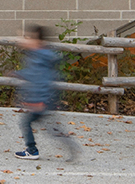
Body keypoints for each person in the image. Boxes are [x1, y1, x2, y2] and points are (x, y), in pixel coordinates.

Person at [12, 23, 82, 164]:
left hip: (41, 100)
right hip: (45, 99)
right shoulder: (40, 56)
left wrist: (38, 101)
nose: (28, 41)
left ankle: (32, 150)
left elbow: (38, 79)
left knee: (26, 123)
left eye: (30, 39)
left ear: (38, 41)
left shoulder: (38, 59)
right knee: (51, 128)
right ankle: (70, 145)